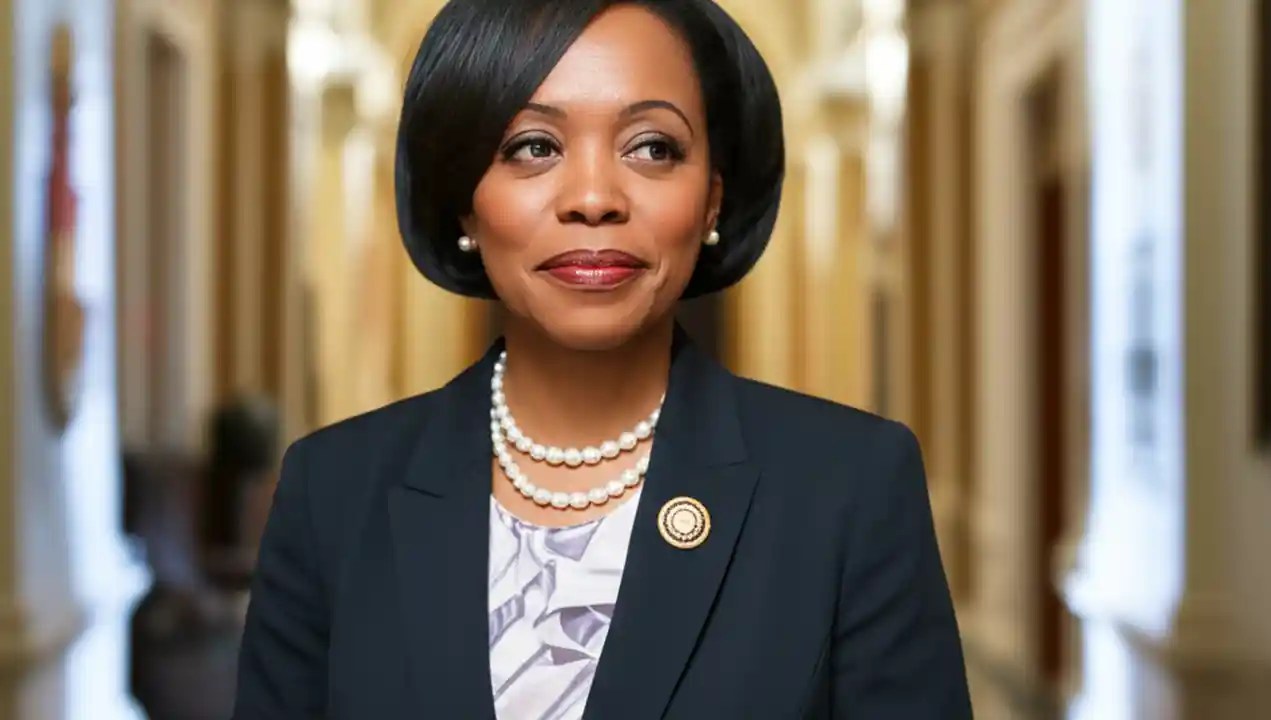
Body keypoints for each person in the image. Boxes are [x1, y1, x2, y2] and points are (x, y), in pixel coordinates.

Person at [232, 0, 972, 717]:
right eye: (533, 147)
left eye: (653, 147)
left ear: (712, 200)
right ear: (464, 199)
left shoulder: (853, 490)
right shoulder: (329, 494)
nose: (593, 197)